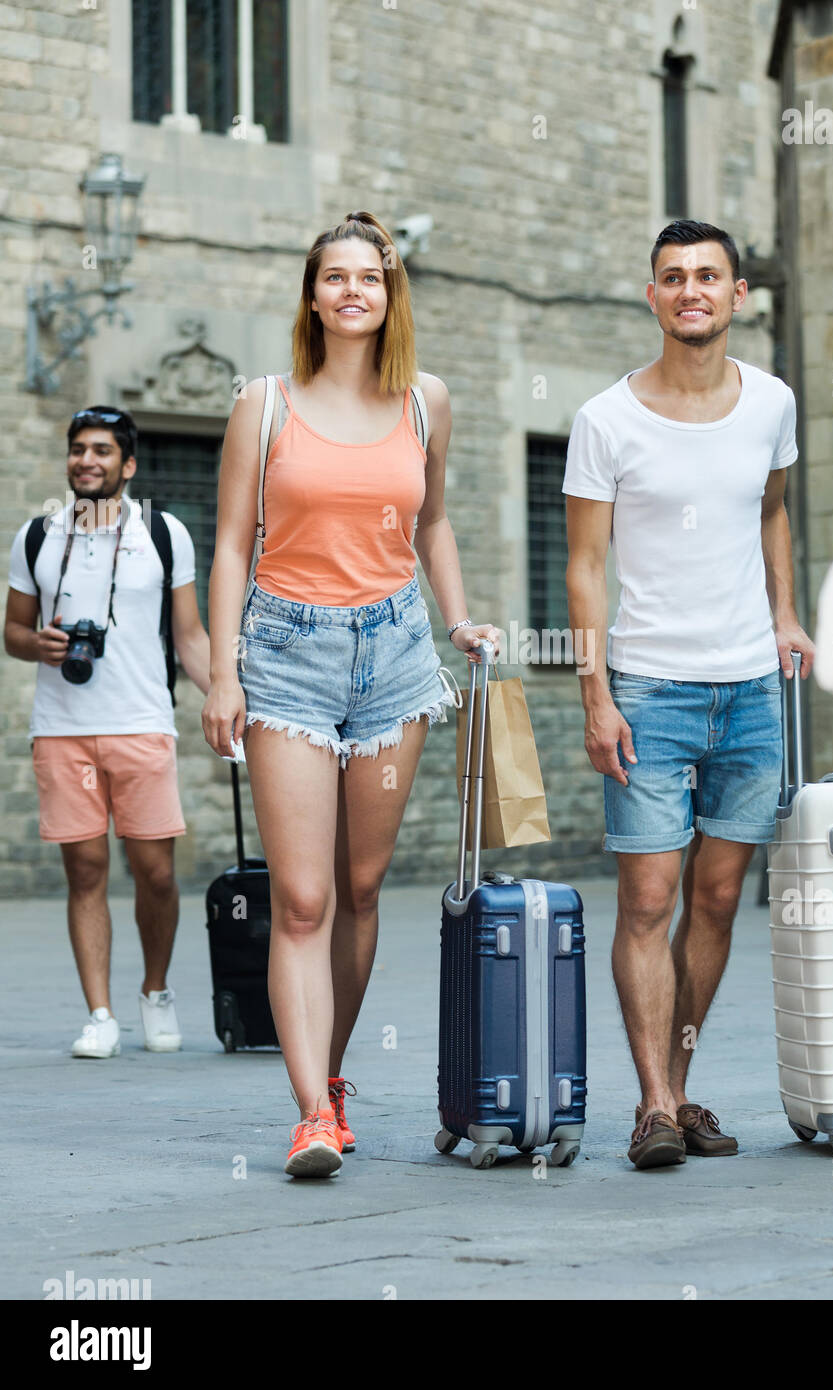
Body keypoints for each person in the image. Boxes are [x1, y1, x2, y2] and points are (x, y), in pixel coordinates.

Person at [202, 210, 500, 1179]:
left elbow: (436, 524)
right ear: (313, 295)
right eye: (333, 277)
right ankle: (307, 1114)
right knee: (302, 895)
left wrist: (457, 619)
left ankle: (329, 1080)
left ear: (388, 293)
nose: (351, 291)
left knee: (360, 890)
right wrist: (220, 669)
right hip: (286, 651)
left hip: (397, 655)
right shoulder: (265, 403)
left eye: (367, 277)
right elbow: (229, 546)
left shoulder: (427, 404)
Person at [564, 220, 814, 1170]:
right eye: (673, 278)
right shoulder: (606, 419)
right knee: (649, 899)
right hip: (650, 688)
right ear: (653, 295)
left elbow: (773, 513)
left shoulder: (775, 404)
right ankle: (656, 1105)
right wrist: (598, 693)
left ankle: (675, 1088)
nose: (691, 290)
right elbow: (585, 568)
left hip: (750, 688)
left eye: (708, 275)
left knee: (716, 900)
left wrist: (786, 616)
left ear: (737, 294)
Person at [4, 405, 210, 1057]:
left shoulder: (164, 534)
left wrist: (226, 696)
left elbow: (190, 634)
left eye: (100, 450)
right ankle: (99, 1013)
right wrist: (36, 645)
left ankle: (155, 991)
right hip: (62, 729)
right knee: (85, 870)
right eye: (77, 449)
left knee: (154, 872)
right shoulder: (36, 535)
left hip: (141, 723)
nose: (86, 460)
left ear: (128, 465)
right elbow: (12, 630)